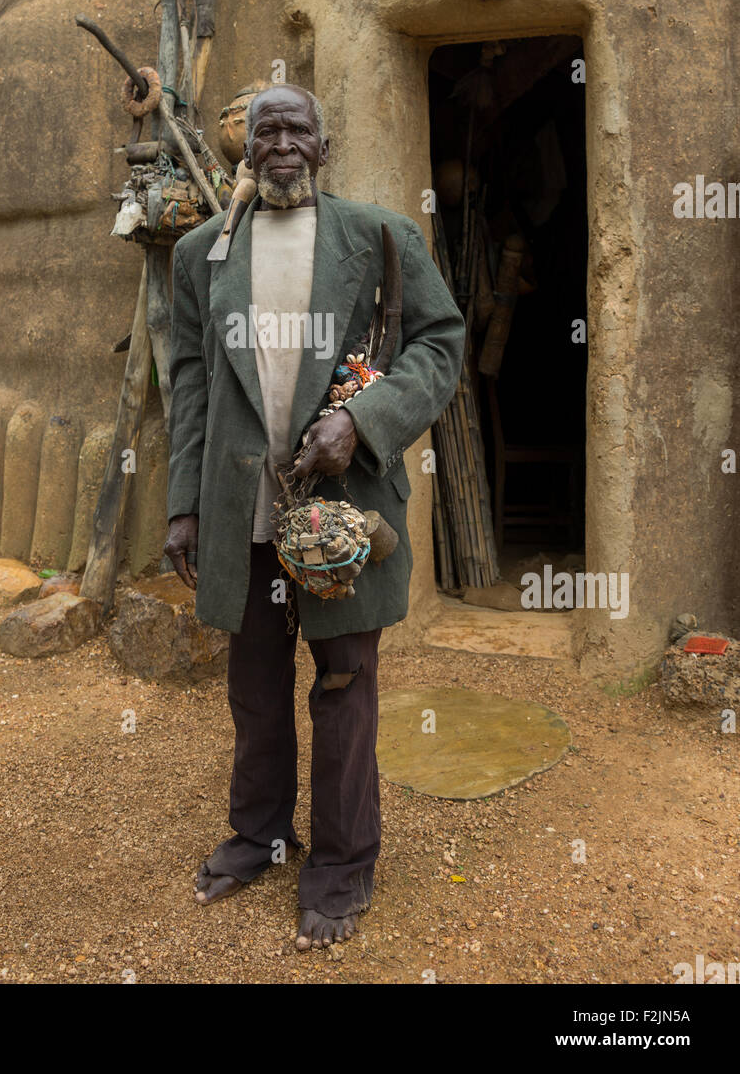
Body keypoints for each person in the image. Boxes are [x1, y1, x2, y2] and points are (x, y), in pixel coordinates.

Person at [164, 84, 464, 949]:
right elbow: (189, 381)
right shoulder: (200, 255)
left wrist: (361, 422)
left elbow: (439, 345)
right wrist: (184, 504)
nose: (281, 143)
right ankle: (257, 833)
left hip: (347, 515)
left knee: (343, 685)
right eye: (266, 131)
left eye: (297, 128)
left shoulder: (378, 237)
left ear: (323, 146)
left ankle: (340, 865)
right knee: (255, 690)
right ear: (245, 150)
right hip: (245, 512)